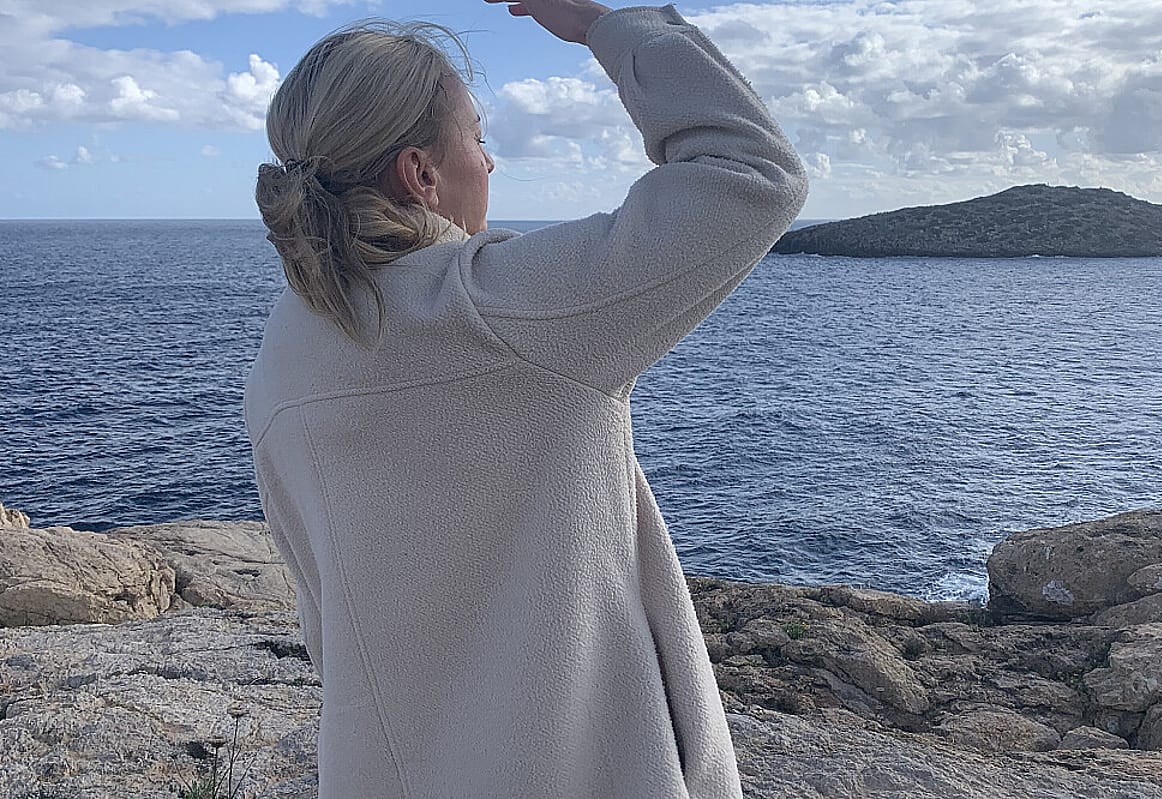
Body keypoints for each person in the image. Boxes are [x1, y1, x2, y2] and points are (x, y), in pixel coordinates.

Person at [244, 0, 806, 796]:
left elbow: (326, 623)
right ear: (421, 174)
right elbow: (754, 173)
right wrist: (604, 25)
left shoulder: (282, 354)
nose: (491, 163)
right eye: (477, 137)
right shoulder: (501, 311)